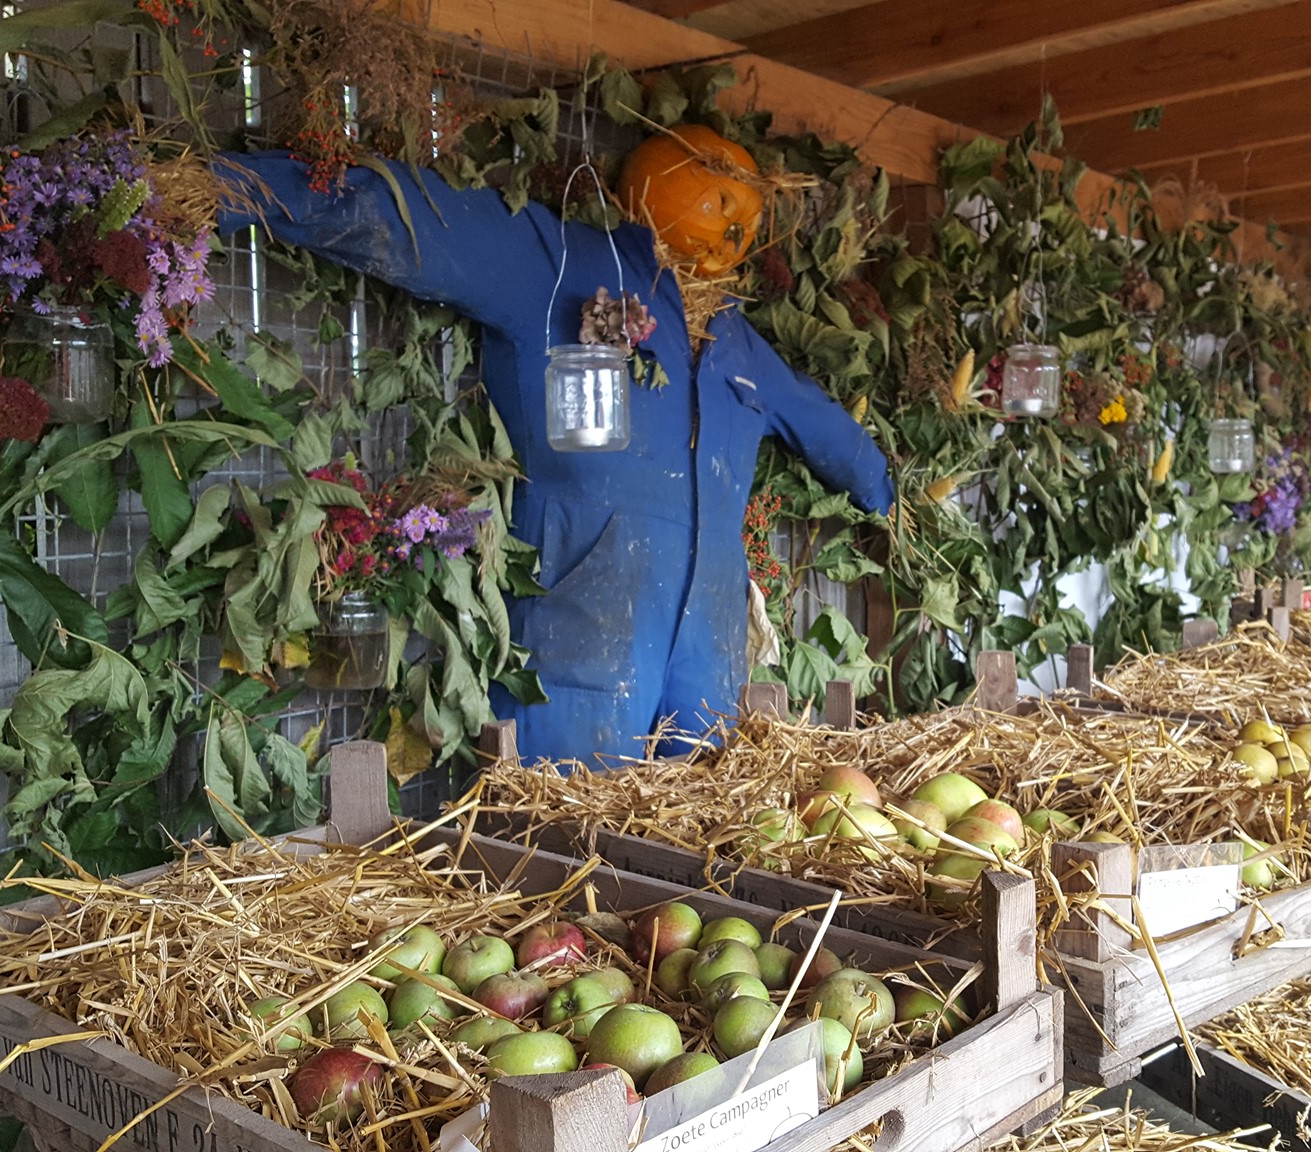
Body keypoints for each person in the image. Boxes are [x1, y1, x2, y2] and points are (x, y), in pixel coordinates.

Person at [217, 143, 895, 767]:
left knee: (702, 871)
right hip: (576, 658)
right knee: (560, 865)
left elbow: (819, 421)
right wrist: (234, 189)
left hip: (709, 672)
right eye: (722, 201)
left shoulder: (737, 343)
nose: (736, 231)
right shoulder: (559, 264)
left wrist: (885, 495)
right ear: (655, 182)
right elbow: (415, 225)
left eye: (750, 220)